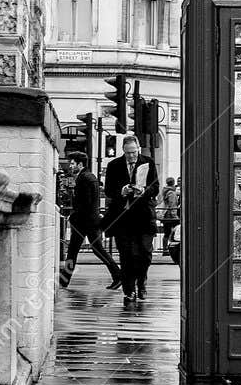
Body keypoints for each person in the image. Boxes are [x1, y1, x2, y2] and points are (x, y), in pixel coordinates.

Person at [103, 133, 159, 310]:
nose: (132, 156)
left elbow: (156, 187)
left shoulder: (148, 162)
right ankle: (129, 290)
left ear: (139, 149)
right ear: (123, 151)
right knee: (127, 256)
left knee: (144, 254)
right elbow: (109, 190)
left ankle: (141, 281)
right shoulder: (114, 165)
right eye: (128, 153)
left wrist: (144, 191)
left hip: (143, 217)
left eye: (134, 153)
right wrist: (122, 190)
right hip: (123, 219)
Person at [58, 157, 121, 291]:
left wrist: (74, 215)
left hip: (85, 221)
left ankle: (118, 275)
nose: (71, 166)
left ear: (80, 164)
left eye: (73, 163)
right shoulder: (88, 176)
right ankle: (64, 279)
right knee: (83, 250)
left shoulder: (84, 178)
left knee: (84, 250)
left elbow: (85, 201)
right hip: (89, 219)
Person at [159, 178, 181, 256]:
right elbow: (172, 205)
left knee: (166, 233)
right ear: (173, 183)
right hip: (170, 216)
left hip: (165, 215)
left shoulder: (165, 191)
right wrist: (175, 216)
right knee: (175, 232)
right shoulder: (172, 192)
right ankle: (170, 249)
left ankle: (165, 249)